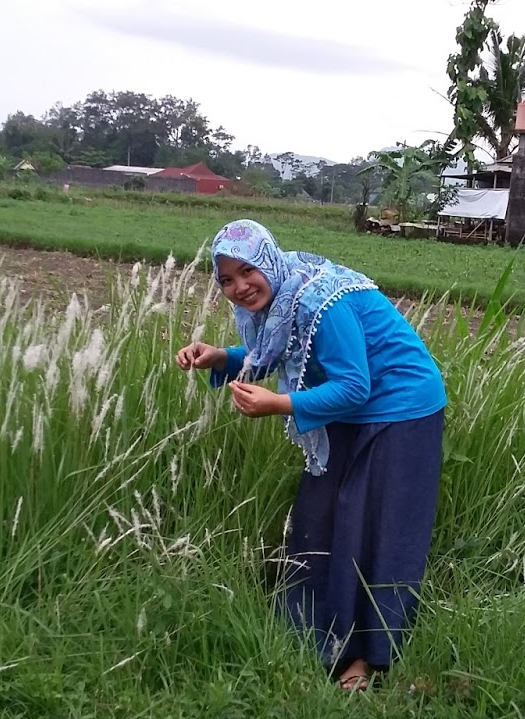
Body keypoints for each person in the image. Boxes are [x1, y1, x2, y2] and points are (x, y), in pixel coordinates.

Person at [175, 219, 447, 691]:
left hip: (402, 407)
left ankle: (366, 658)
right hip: (350, 404)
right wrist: (223, 357)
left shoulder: (323, 300)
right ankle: (307, 637)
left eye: (248, 271)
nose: (240, 287)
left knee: (376, 529)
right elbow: (279, 347)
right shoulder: (283, 293)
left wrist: (280, 403)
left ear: (268, 261)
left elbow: (355, 385)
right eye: (227, 279)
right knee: (318, 517)